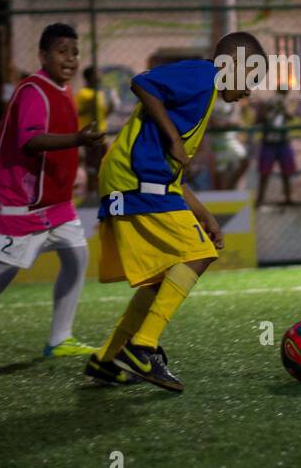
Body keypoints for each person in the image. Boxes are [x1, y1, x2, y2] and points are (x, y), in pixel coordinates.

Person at [85, 31, 264, 393]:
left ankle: (108, 358)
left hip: (140, 181)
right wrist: (174, 137)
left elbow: (173, 177)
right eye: (251, 78)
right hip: (133, 179)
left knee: (161, 278)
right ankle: (143, 347)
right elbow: (142, 82)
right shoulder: (203, 75)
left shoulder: (206, 94)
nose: (249, 91)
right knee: (199, 253)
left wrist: (204, 214)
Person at [0, 23, 106, 365]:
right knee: (3, 273)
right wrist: (78, 139)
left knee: (77, 258)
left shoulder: (64, 89)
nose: (70, 59)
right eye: (62, 52)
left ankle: (60, 339)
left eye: (75, 52)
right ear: (43, 56)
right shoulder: (33, 90)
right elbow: (30, 140)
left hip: (56, 204)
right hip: (21, 201)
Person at [76, 66, 113, 199]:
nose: (100, 77)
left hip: (101, 135)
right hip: (90, 136)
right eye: (97, 74)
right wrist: (89, 105)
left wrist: (111, 106)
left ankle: (101, 190)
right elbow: (79, 112)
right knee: (91, 164)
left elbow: (103, 114)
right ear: (89, 77)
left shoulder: (100, 93)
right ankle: (91, 192)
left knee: (103, 164)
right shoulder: (83, 93)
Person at [255, 90, 297, 207]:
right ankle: (260, 199)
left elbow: (290, 117)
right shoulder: (268, 103)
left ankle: (288, 198)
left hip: (283, 142)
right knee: (264, 173)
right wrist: (268, 108)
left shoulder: (286, 103)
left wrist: (282, 108)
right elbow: (258, 120)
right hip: (269, 143)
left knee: (287, 172)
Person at [210, 96, 251, 190]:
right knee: (220, 172)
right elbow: (213, 122)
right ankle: (222, 196)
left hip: (231, 140)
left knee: (245, 161)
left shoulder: (233, 100)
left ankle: (229, 189)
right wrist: (224, 124)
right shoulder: (211, 99)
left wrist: (226, 123)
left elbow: (237, 120)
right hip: (216, 141)